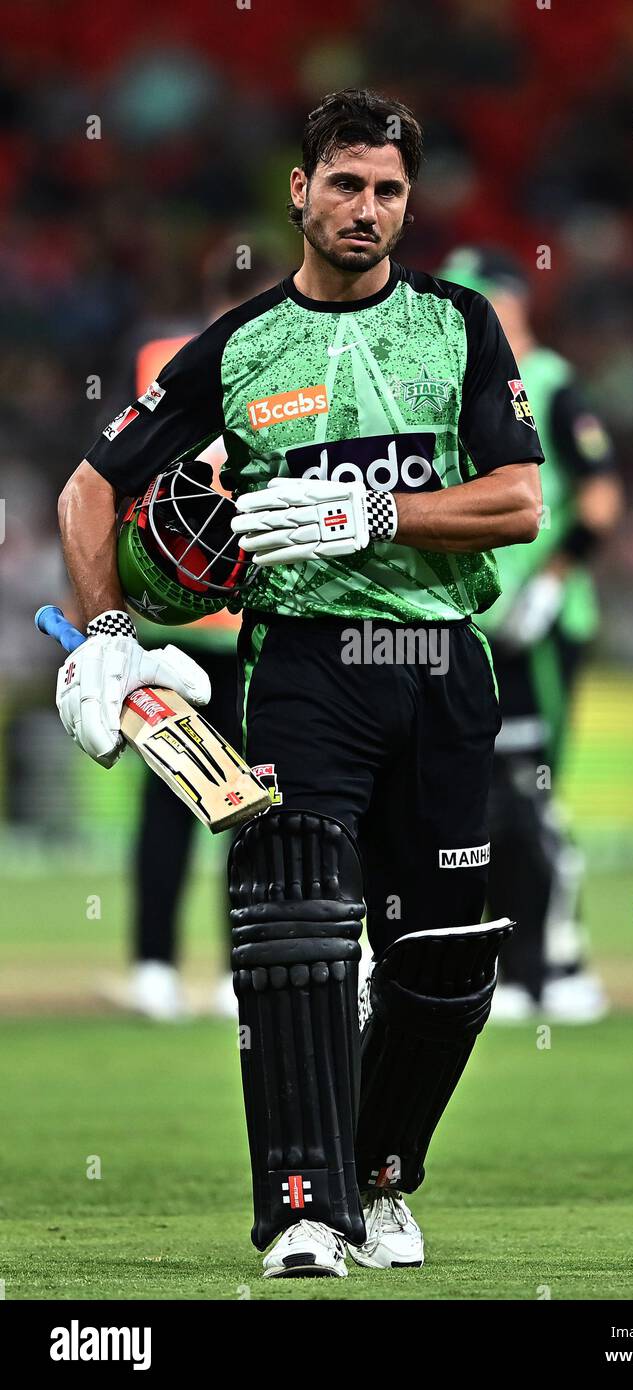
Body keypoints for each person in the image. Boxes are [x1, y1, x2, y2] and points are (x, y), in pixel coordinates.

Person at [54, 89, 544, 1278]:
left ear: (406, 204)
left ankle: (378, 1176)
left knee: (449, 957)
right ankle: (300, 1212)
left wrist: (374, 511)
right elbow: (87, 492)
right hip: (304, 664)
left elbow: (518, 501)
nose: (365, 208)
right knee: (293, 934)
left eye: (386, 191)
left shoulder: (460, 325)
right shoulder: (238, 345)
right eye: (345, 184)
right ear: (300, 190)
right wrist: (103, 634)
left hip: (437, 660)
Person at [438, 247, 623, 1023]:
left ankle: (557, 962)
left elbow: (601, 497)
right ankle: (505, 964)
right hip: (474, 629)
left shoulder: (548, 381)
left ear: (511, 303)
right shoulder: (455, 385)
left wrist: (550, 586)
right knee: (476, 799)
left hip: (541, 633)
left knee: (536, 794)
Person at [109, 244, 280, 1022]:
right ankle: (232, 967)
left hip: (173, 619)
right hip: (247, 623)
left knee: (177, 802)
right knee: (248, 804)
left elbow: (119, 483)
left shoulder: (163, 357)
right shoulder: (287, 366)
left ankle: (154, 965)